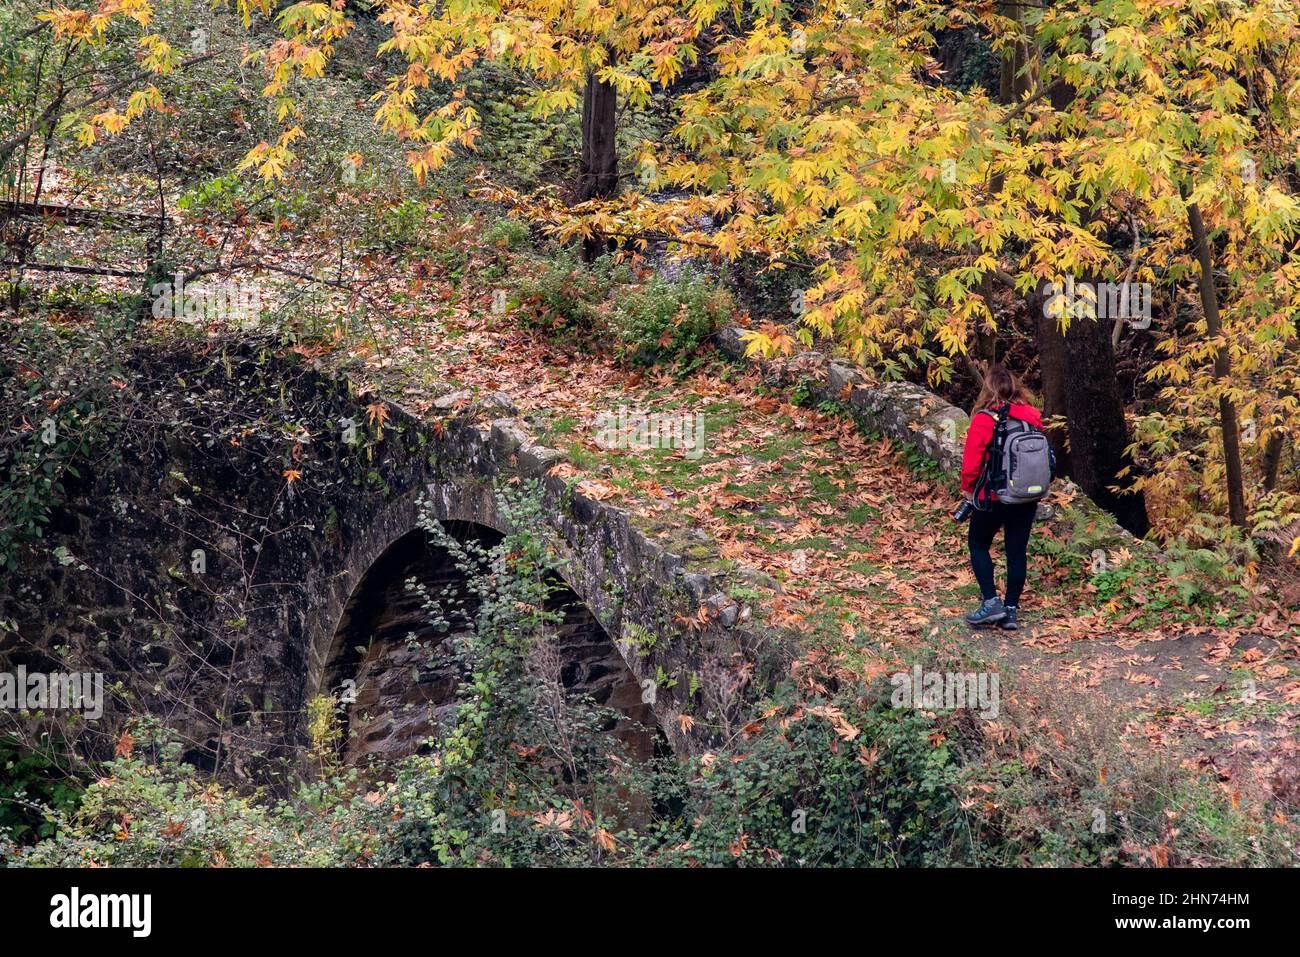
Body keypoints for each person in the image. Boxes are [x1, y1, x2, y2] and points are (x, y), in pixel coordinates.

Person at [959, 366, 1042, 631]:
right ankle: (1011, 611)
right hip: (1026, 496)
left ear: (988, 389)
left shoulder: (984, 419)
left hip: (992, 496)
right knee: (1017, 552)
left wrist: (968, 490)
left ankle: (991, 601)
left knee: (978, 543)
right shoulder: (1032, 415)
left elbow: (971, 465)